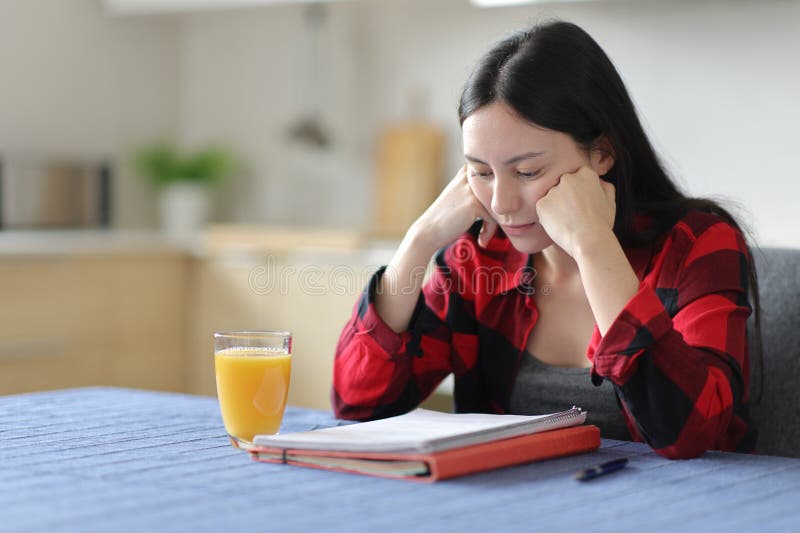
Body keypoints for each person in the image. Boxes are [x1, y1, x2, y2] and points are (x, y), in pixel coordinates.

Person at [331, 20, 760, 459]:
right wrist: (418, 242)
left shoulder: (699, 245)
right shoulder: (478, 260)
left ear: (603, 153)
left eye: (528, 172)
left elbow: (687, 433)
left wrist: (594, 246)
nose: (501, 201)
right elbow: (358, 407)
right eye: (480, 172)